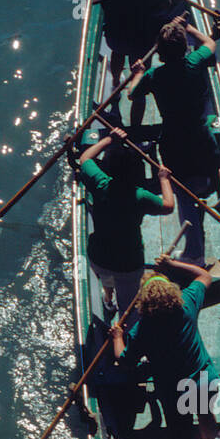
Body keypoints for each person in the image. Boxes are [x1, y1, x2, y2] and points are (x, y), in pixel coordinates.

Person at [111, 256, 220, 439]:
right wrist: (173, 264)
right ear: (172, 292)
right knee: (206, 414)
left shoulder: (142, 329)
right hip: (202, 380)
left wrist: (116, 336)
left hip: (175, 396)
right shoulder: (187, 303)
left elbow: (124, 361)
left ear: (145, 304)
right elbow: (205, 276)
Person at [128, 13, 220, 264]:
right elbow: (210, 44)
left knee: (183, 196)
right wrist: (191, 27)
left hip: (174, 144)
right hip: (201, 139)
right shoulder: (194, 62)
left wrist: (138, 72)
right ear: (184, 48)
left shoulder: (155, 76)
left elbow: (132, 94)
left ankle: (194, 252)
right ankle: (207, 205)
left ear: (159, 52)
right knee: (202, 182)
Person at [74, 128, 174, 319]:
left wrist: (108, 140)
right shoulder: (139, 196)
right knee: (128, 307)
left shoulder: (100, 183)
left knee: (107, 280)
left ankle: (108, 299)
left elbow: (85, 158)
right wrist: (164, 180)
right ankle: (125, 331)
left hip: (99, 256)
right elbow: (168, 206)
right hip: (129, 263)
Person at [75, 0, 172, 108]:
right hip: (142, 39)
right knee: (140, 70)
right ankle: (138, 97)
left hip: (116, 35)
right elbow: (165, 5)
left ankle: (115, 83)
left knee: (118, 52)